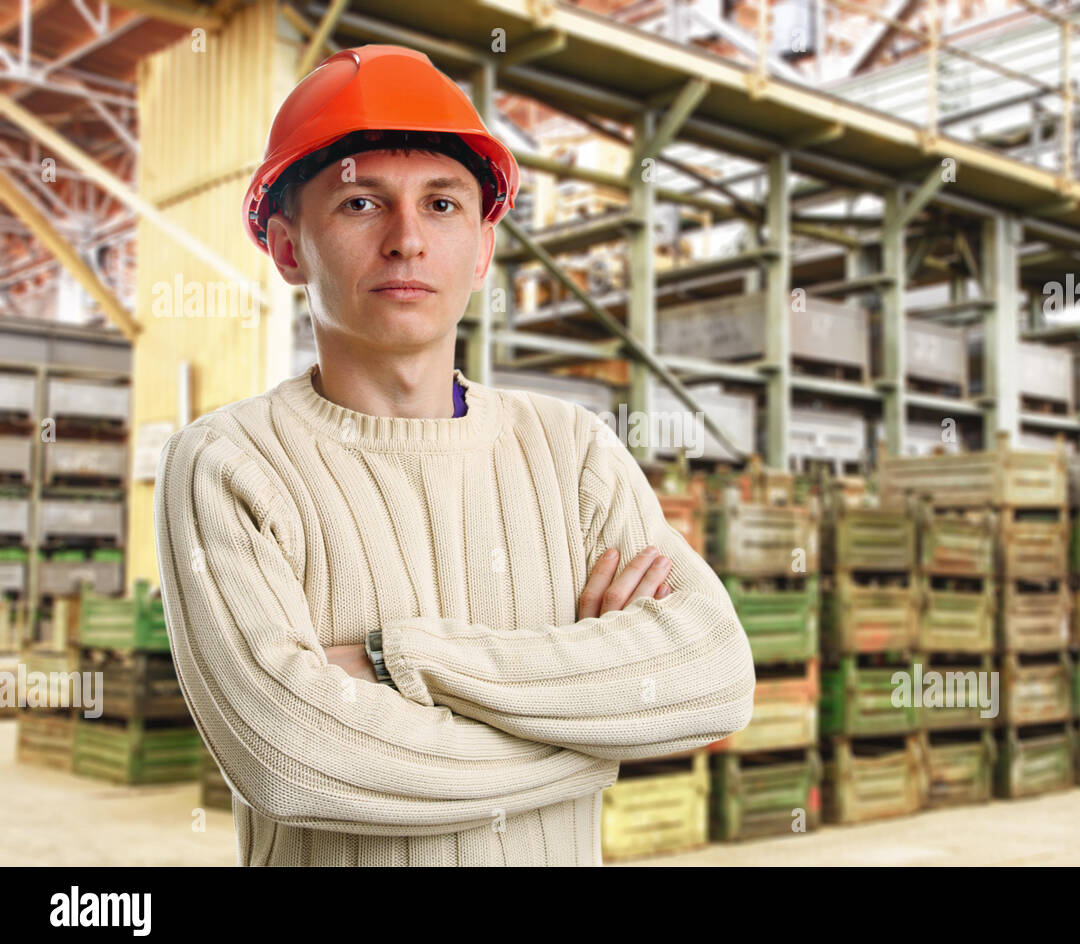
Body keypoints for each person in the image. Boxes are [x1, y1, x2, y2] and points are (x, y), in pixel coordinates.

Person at [153, 44, 755, 867]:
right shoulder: (227, 465)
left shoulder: (572, 452)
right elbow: (291, 757)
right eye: (362, 202)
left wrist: (394, 659)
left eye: (442, 204)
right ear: (289, 248)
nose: (407, 239)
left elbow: (710, 674)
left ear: (481, 249)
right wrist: (590, 736)